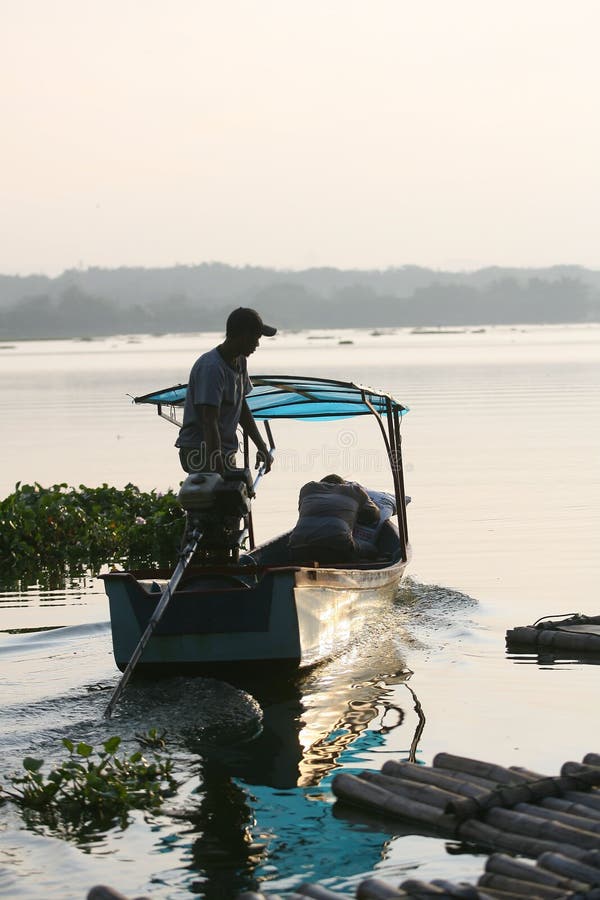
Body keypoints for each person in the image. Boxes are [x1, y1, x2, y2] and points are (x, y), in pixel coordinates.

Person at [176, 307, 277, 475]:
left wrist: (261, 446)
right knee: (221, 494)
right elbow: (209, 421)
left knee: (235, 493)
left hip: (224, 450)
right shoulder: (212, 368)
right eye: (256, 338)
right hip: (200, 450)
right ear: (244, 336)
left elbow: (241, 407)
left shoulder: (240, 361)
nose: (258, 344)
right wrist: (218, 469)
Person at [288, 474, 381, 563]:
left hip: (298, 548)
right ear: (342, 485)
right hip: (338, 549)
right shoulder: (355, 491)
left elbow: (302, 512)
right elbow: (375, 516)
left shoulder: (307, 489)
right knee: (373, 550)